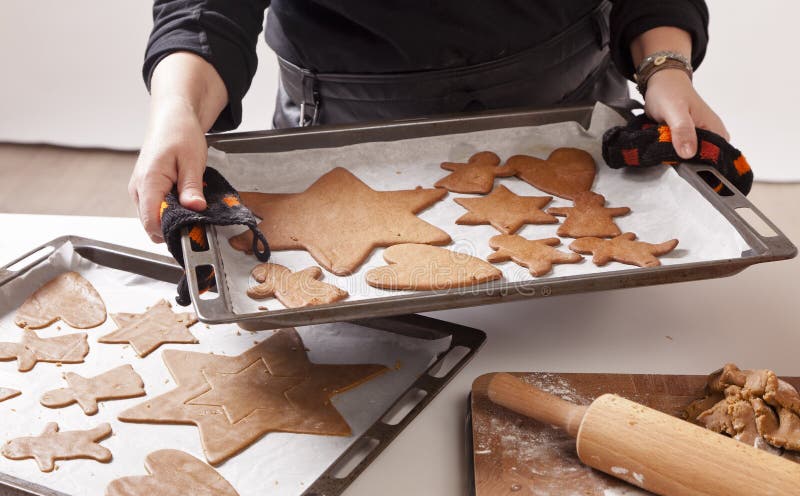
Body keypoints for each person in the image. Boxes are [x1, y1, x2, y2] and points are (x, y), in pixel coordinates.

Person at [130, 1, 728, 243]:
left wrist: (666, 66)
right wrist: (177, 111)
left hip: (570, 100)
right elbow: (206, 10)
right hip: (349, 113)